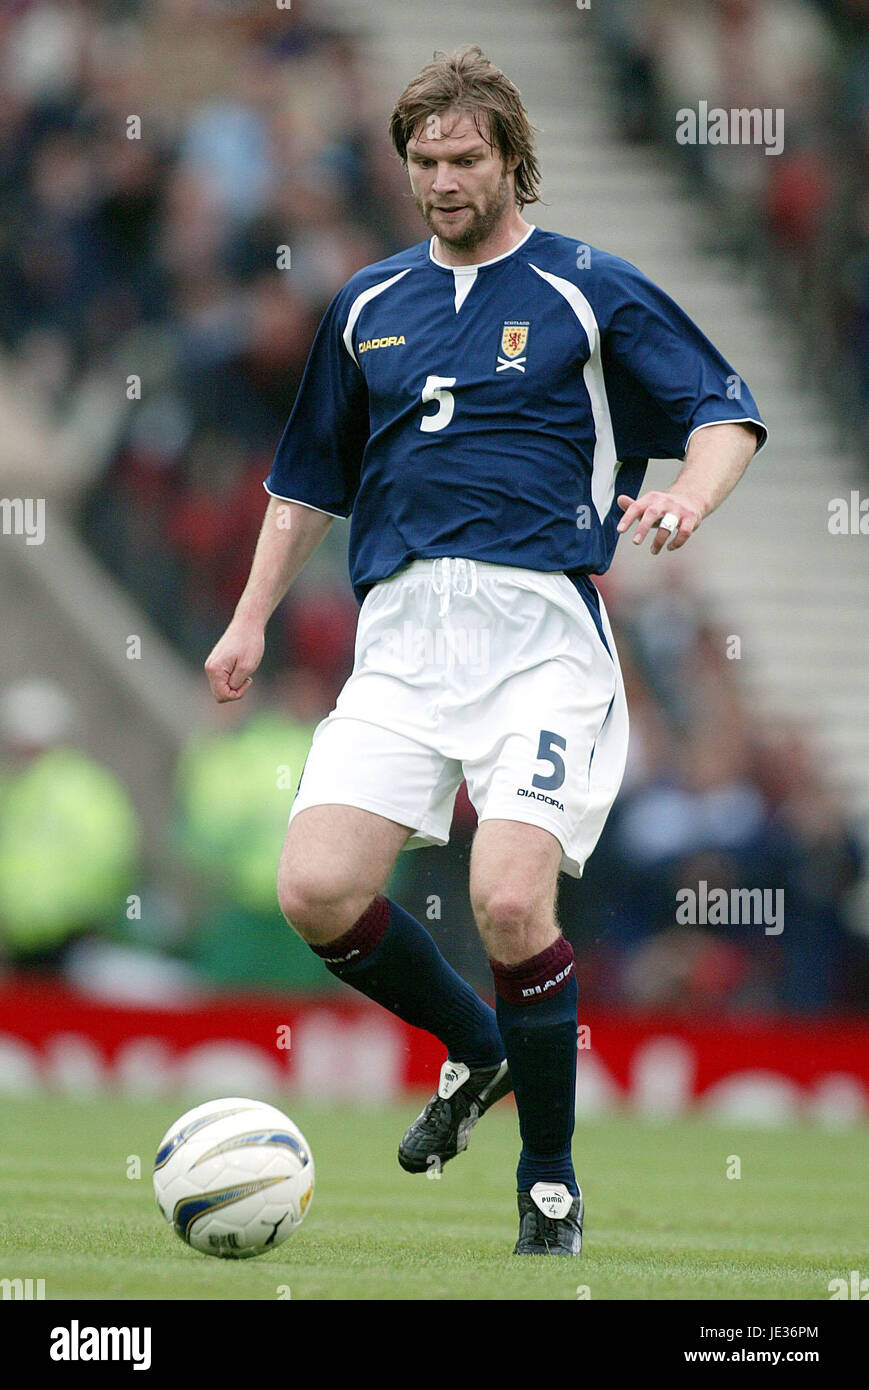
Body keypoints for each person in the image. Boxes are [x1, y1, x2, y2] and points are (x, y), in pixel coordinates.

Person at [205, 46, 767, 1256]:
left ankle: (549, 1185)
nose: (443, 180)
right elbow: (305, 484)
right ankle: (477, 1046)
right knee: (313, 889)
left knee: (509, 897)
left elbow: (724, 411)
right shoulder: (366, 303)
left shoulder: (584, 287)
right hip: (402, 643)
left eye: (465, 159)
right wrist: (251, 614)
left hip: (538, 644)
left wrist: (685, 502)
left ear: (514, 159)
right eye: (423, 160)